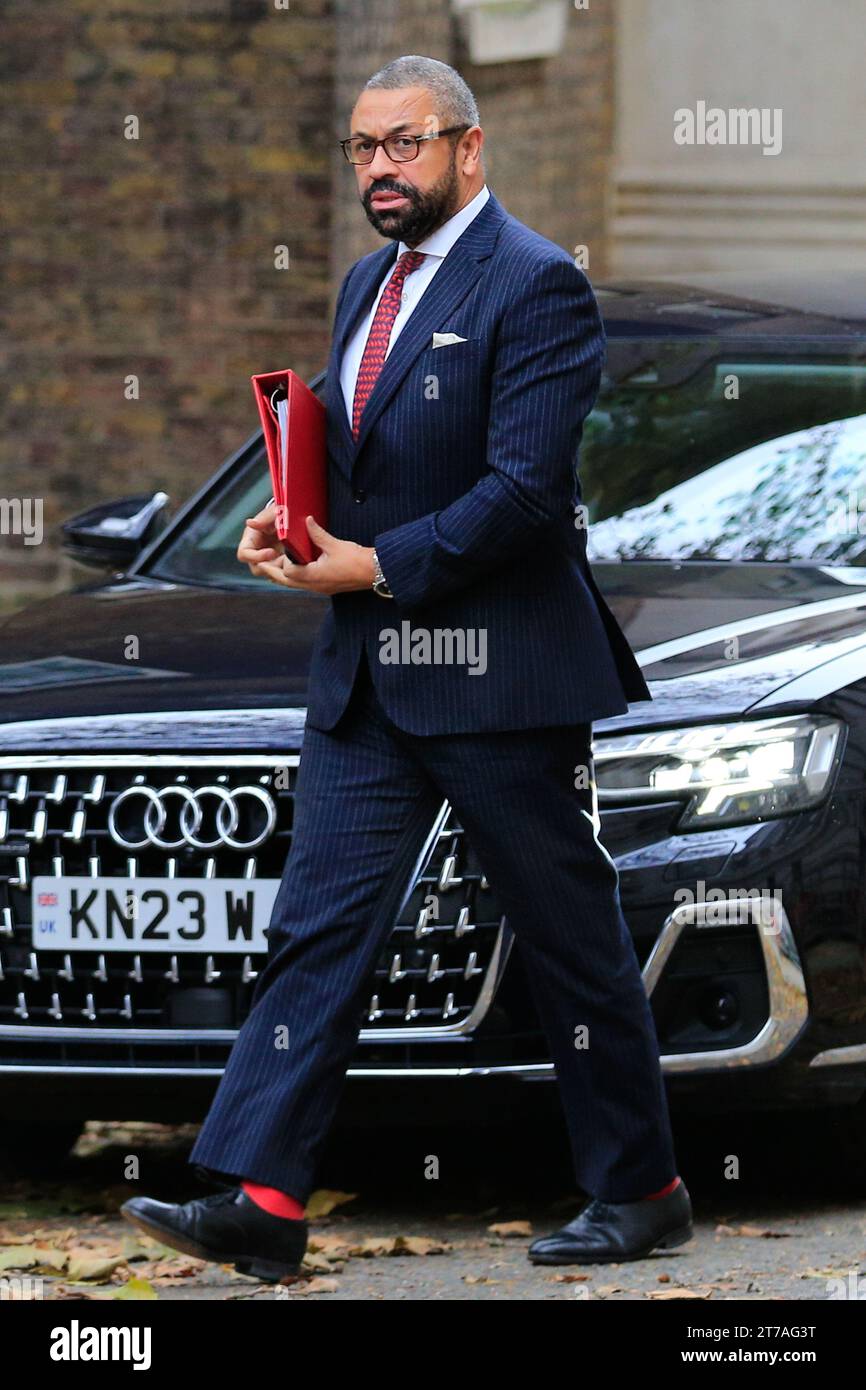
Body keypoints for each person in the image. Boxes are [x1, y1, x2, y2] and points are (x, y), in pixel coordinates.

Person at [122, 54, 692, 1283]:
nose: (380, 168)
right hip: (368, 682)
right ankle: (263, 1195)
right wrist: (287, 512)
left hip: (500, 675)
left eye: (404, 144)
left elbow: (525, 494)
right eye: (363, 149)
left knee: (565, 941)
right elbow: (349, 433)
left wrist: (374, 567)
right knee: (316, 929)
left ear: (468, 149)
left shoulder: (535, 286)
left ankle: (641, 1188)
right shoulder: (360, 285)